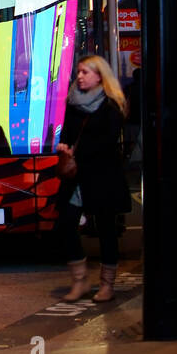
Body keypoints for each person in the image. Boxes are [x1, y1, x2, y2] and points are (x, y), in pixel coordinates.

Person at [55, 55, 131, 303]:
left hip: (102, 176)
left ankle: (107, 284)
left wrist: (77, 152)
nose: (79, 76)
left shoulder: (111, 105)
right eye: (78, 71)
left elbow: (107, 141)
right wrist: (64, 147)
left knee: (107, 229)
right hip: (77, 177)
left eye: (85, 72)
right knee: (66, 223)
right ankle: (80, 280)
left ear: (100, 76)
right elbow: (67, 132)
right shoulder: (73, 102)